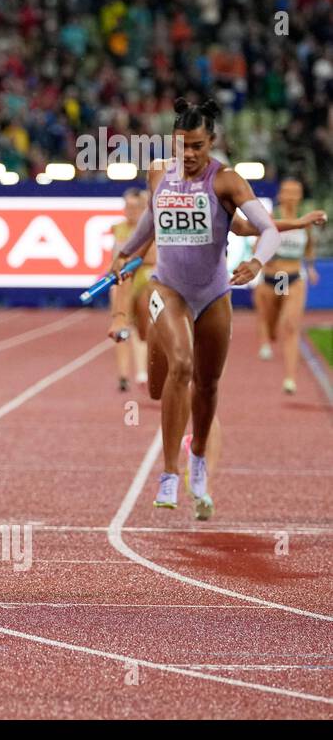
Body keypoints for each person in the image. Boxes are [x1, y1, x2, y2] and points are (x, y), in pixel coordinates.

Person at [109, 98, 280, 519]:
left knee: (207, 385)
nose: (188, 154)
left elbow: (268, 229)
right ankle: (169, 473)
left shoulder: (227, 181)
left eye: (197, 147)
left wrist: (257, 261)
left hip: (214, 293)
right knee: (181, 365)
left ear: (212, 143)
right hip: (167, 287)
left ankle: (198, 458)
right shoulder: (157, 173)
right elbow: (150, 219)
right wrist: (126, 252)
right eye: (182, 145)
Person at [251, 177, 322, 393]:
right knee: (272, 328)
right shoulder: (273, 218)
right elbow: (257, 245)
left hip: (293, 278)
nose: (291, 196)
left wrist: (310, 267)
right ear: (280, 195)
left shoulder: (304, 221)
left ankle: (290, 378)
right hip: (273, 279)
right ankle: (268, 338)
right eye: (287, 192)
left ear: (300, 196)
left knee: (291, 326)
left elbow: (309, 246)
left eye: (295, 192)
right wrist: (262, 258)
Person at [108, 188, 151, 391]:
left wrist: (131, 260)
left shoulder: (149, 229)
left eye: (136, 207)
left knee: (144, 330)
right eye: (128, 206)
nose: (130, 211)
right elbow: (114, 258)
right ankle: (123, 375)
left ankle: (145, 370)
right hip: (123, 282)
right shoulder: (117, 228)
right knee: (121, 328)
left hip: (143, 280)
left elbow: (154, 258)